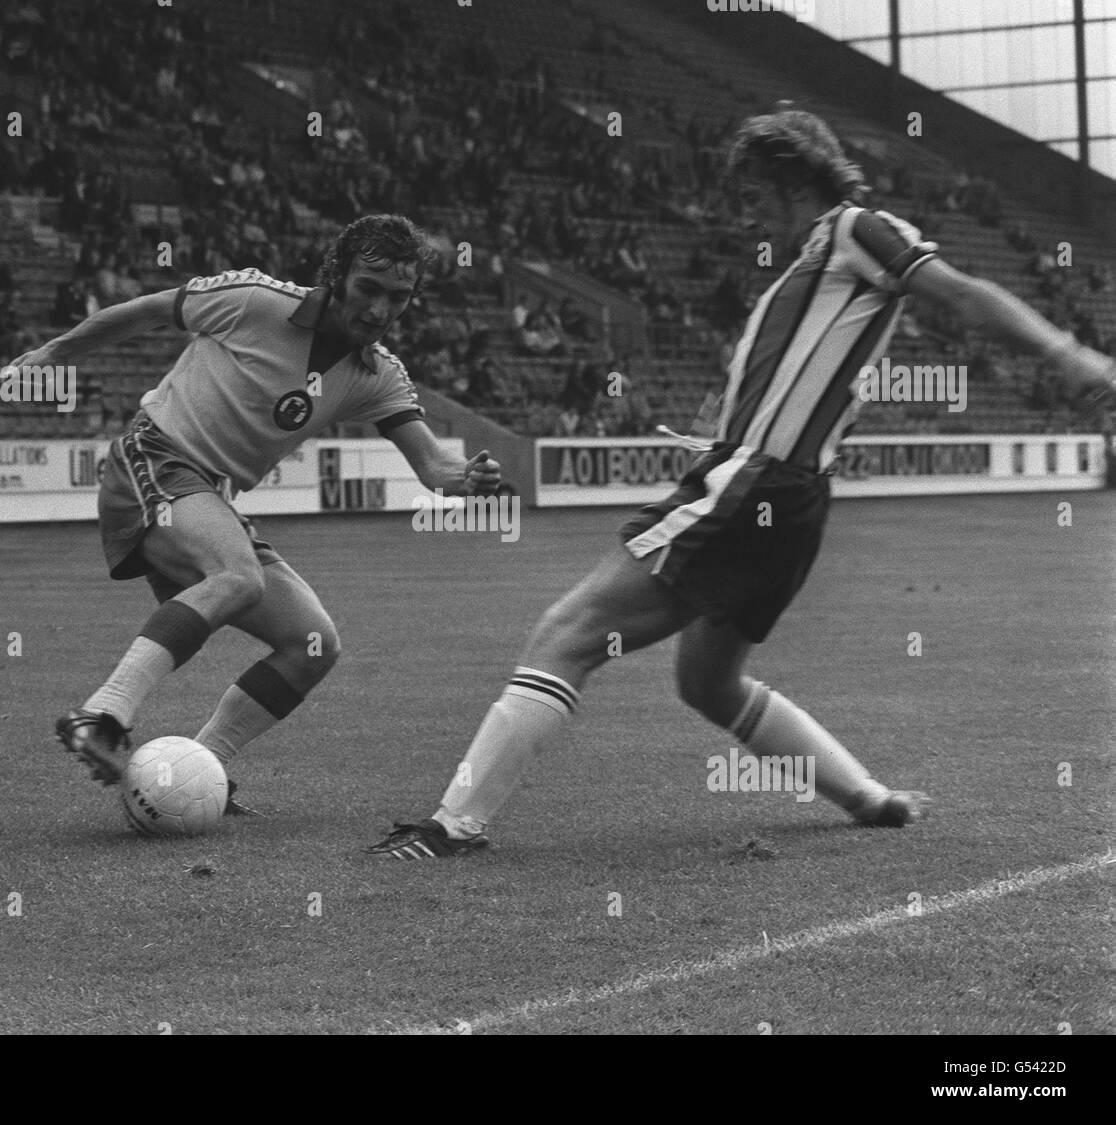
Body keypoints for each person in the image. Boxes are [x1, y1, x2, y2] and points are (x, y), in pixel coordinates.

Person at [366, 107, 1116, 859]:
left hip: (755, 483)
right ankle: (868, 796)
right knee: (708, 681)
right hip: (789, 501)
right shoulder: (804, 275)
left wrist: (1068, 354)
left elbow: (957, 291)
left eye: (755, 194)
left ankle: (452, 824)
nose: (748, 212)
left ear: (792, 178)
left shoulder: (852, 229)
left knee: (567, 633)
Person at [11, 215, 501, 812]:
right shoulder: (255, 302)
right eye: (368, 288)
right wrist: (51, 354)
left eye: (397, 297)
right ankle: (103, 712)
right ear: (337, 276)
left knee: (313, 642)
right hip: (152, 458)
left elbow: (433, 467)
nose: (379, 309)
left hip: (210, 499)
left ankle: (196, 772)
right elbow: (145, 311)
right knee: (237, 575)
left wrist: (464, 479)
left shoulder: (376, 376)